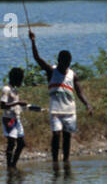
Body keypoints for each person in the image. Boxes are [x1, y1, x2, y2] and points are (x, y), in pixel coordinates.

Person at [29, 31, 93, 165]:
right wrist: (33, 41)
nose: (65, 66)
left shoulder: (72, 75)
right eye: (63, 63)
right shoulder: (51, 71)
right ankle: (54, 162)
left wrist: (87, 104)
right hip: (56, 112)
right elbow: (37, 58)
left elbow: (79, 92)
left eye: (67, 63)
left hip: (70, 111)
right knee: (56, 135)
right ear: (58, 61)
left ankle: (66, 161)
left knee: (67, 137)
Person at [0, 67, 37, 169]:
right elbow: (2, 105)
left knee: (21, 144)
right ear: (16, 79)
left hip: (16, 119)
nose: (22, 82)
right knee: (11, 143)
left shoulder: (15, 91)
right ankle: (9, 166)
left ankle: (13, 165)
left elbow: (16, 106)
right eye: (21, 80)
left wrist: (29, 107)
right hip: (9, 120)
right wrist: (18, 102)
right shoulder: (6, 89)